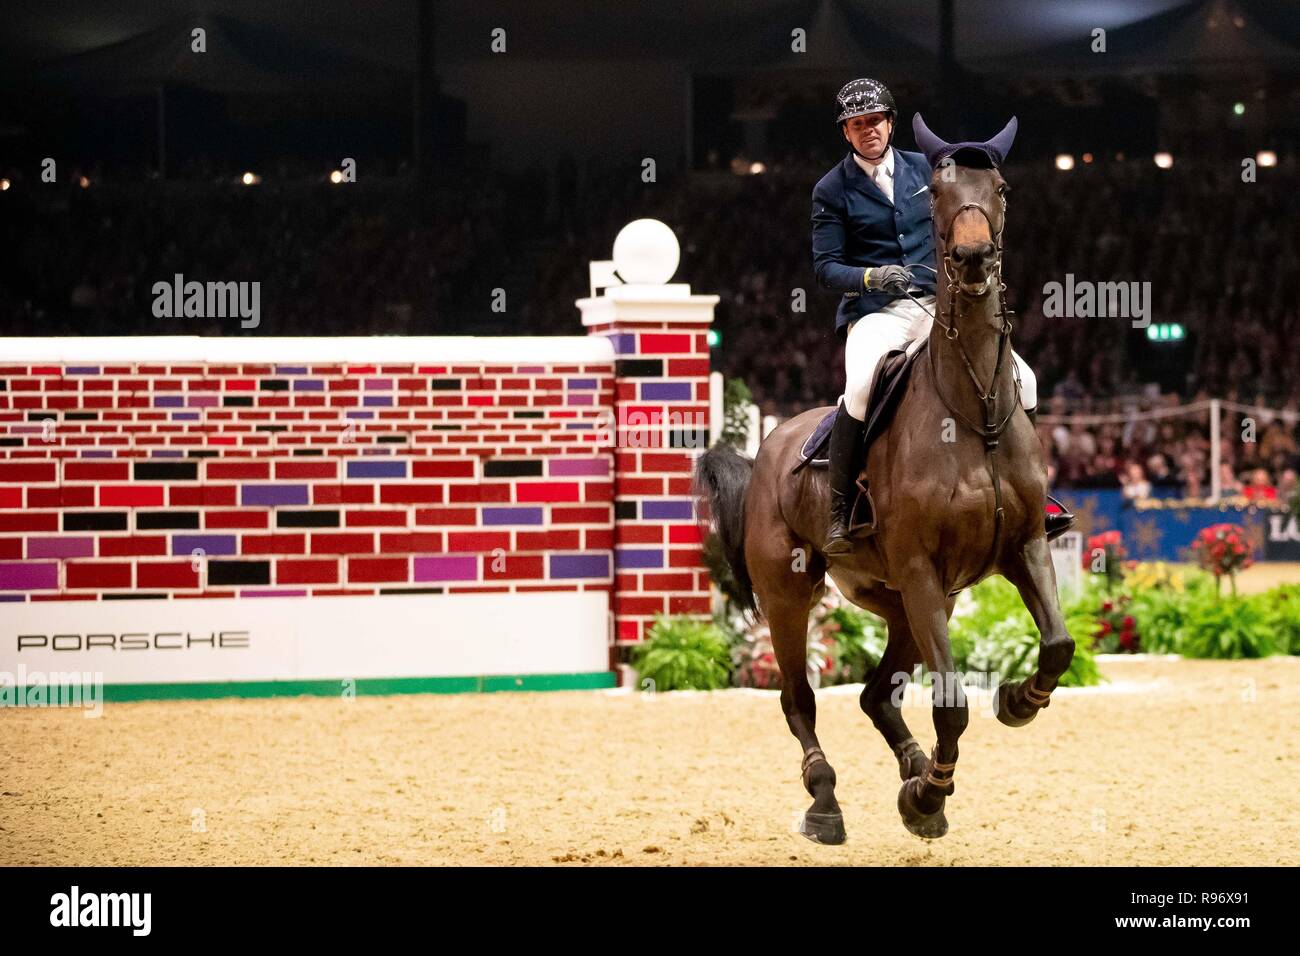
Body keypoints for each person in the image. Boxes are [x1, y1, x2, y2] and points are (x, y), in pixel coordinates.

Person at [811, 77, 1073, 554]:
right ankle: (840, 509)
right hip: (877, 312)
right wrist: (872, 278)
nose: (867, 130)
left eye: (874, 121)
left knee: (1027, 379)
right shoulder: (832, 189)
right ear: (846, 132)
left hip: (936, 304)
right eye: (856, 124)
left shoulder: (927, 171)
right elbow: (826, 268)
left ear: (890, 124)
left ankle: (1034, 492)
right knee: (861, 387)